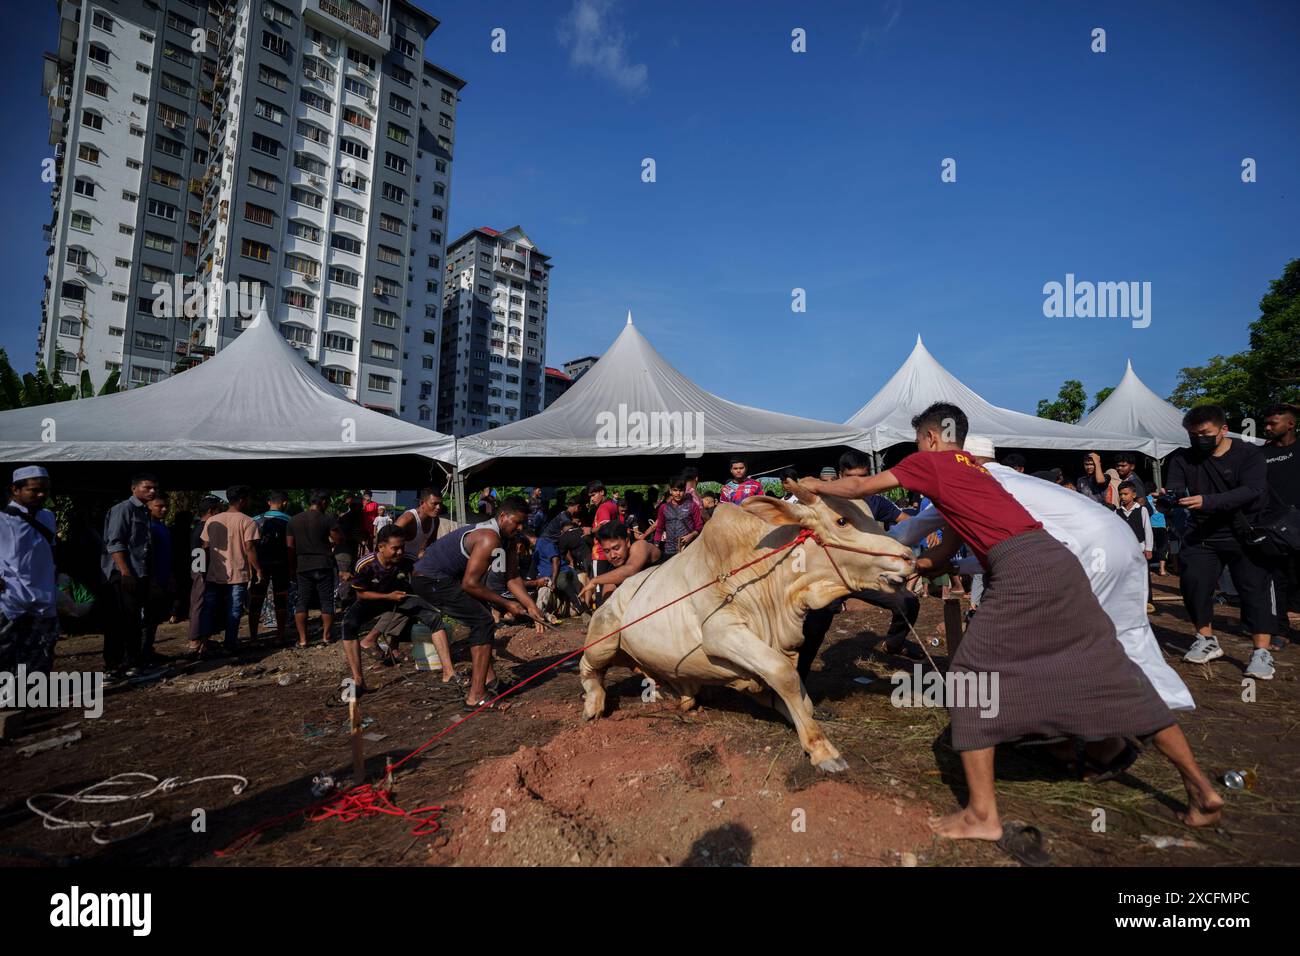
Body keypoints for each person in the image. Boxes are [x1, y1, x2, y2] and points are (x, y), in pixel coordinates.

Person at [803, 401, 1222, 842]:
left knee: (968, 677)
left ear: (929, 437)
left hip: (1022, 569)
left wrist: (811, 484)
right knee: (1115, 673)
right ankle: (1203, 791)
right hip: (1060, 561)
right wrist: (921, 565)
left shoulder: (932, 461)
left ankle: (981, 816)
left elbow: (862, 487)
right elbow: (950, 543)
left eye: (919, 441)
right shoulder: (977, 473)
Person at [1160, 404, 1275, 679]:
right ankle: (1206, 639)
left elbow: (1253, 490)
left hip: (1244, 532)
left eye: (1205, 433)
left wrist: (1207, 501)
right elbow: (1175, 491)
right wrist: (1167, 499)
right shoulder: (1181, 458)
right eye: (1192, 434)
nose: (1199, 438)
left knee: (1253, 591)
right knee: (1194, 585)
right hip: (1202, 535)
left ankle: (1261, 652)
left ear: (1223, 429)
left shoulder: (1249, 454)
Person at [411, 496, 546, 710]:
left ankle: (490, 682)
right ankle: (476, 696)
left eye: (523, 523)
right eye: (517, 522)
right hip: (428, 579)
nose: (520, 528)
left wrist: (531, 606)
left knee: (481, 615)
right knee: (483, 621)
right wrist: (507, 604)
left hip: (445, 579)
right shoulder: (488, 537)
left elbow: (512, 578)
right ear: (502, 516)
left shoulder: (508, 539)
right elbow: (470, 584)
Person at [799, 448, 922, 679]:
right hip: (831, 576)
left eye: (864, 477)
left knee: (908, 602)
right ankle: (797, 685)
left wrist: (928, 529)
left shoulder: (874, 500)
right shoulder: (822, 501)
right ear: (839, 474)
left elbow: (906, 521)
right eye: (851, 477)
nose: (858, 482)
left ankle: (894, 645)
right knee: (815, 627)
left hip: (867, 574)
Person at [343, 525, 452, 692]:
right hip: (373, 599)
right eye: (395, 548)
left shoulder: (409, 559)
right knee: (349, 624)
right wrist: (387, 597)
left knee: (434, 618)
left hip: (401, 598)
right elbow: (361, 594)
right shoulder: (365, 564)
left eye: (402, 547)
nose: (400, 552)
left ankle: (449, 672)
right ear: (381, 547)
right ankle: (358, 680)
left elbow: (421, 576)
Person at [1, 466, 59, 675]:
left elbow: (50, 551)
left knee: (40, 653)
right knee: (5, 652)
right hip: (10, 598)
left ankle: (30, 698)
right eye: (34, 490)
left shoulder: (47, 517)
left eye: (45, 490)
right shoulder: (2, 519)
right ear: (15, 489)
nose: (41, 495)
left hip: (43, 596)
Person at [100, 472, 158, 677]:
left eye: (154, 488)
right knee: (118, 620)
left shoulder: (144, 512)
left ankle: (132, 661)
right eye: (147, 487)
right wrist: (125, 572)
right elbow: (115, 543)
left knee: (133, 619)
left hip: (139, 573)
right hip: (122, 574)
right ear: (134, 488)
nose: (152, 491)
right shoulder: (123, 509)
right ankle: (113, 665)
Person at [201, 486, 262, 655]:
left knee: (208, 609)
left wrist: (200, 569)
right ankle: (230, 644)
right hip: (238, 573)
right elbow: (249, 547)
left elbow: (204, 546)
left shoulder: (212, 520)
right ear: (242, 500)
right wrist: (258, 569)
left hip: (214, 573)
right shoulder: (248, 521)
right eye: (248, 499)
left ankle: (203, 644)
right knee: (234, 611)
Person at [1262, 403, 1299, 645]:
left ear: (1290, 424)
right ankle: (1280, 630)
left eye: (1272, 423)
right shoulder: (1260, 456)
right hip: (1273, 528)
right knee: (1277, 579)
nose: (1266, 427)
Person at [288, 489, 341, 648]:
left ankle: (303, 640)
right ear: (323, 502)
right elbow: (339, 538)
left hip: (302, 565)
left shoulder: (294, 520)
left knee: (302, 602)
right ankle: (326, 636)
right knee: (326, 601)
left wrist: (292, 569)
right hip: (323, 564)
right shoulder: (327, 519)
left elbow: (289, 546)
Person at [579, 521, 662, 606]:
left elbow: (631, 569)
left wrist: (594, 580)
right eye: (607, 551)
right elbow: (606, 604)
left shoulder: (640, 545)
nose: (612, 555)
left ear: (627, 542)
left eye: (616, 548)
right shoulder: (615, 569)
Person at [247, 490, 291, 644]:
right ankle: (280, 635)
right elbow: (291, 547)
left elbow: (248, 546)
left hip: (259, 565)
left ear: (268, 502)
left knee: (256, 600)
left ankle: (253, 637)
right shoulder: (289, 521)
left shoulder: (255, 520)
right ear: (284, 503)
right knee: (281, 599)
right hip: (281, 564)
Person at [186, 496, 223, 657]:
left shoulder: (200, 527)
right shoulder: (202, 528)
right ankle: (195, 641)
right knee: (199, 604)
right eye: (218, 510)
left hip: (202, 570)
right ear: (211, 511)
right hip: (201, 571)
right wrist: (201, 574)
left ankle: (204, 640)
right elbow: (198, 553)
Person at [142, 493, 173, 662]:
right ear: (148, 507)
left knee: (154, 618)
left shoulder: (162, 526)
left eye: (165, 506)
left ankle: (148, 649)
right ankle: (141, 652)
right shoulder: (147, 528)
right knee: (146, 618)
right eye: (159, 506)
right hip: (150, 580)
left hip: (162, 578)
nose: (164, 509)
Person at [1115, 482, 1154, 612]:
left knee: (1143, 575)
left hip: (1140, 548)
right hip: (1124, 550)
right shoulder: (1117, 512)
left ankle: (1148, 600)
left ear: (1134, 494)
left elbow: (1148, 529)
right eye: (1120, 494)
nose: (1123, 497)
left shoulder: (1141, 510)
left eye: (1126, 494)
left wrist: (1149, 548)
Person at [652, 476, 703, 559]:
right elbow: (659, 528)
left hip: (688, 549)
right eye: (675, 490)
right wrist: (656, 545)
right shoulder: (663, 508)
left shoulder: (692, 506)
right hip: (669, 550)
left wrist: (691, 535)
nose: (678, 493)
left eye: (681, 490)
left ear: (685, 490)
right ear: (670, 490)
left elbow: (700, 526)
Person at [586, 480, 621, 598]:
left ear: (602, 492)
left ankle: (599, 615)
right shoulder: (613, 505)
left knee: (599, 587)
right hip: (613, 552)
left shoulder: (603, 508)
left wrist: (590, 531)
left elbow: (605, 527)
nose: (592, 499)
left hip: (600, 554)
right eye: (590, 496)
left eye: (593, 495)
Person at [395, 488, 451, 561]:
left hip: (417, 562)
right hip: (400, 561)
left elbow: (431, 544)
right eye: (434, 504)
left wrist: (423, 552)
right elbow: (389, 539)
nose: (438, 507)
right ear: (422, 503)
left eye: (440, 504)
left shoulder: (435, 520)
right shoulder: (408, 518)